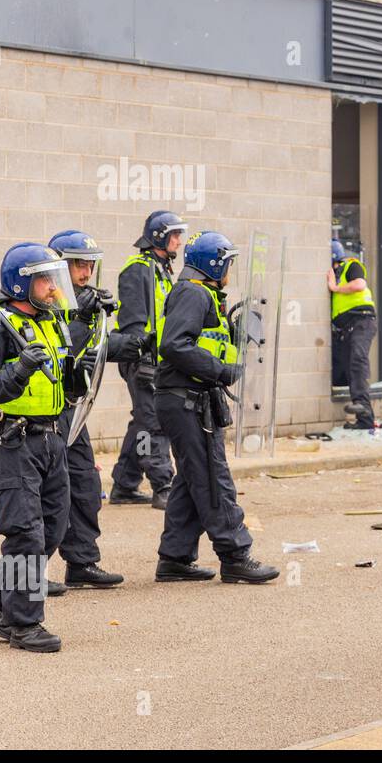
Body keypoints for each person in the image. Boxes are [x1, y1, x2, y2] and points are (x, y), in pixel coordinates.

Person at [0, 244, 79, 652]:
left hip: (50, 439)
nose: (53, 288)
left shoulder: (50, 322)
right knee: (25, 533)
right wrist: (18, 369)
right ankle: (23, 623)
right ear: (21, 283)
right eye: (45, 280)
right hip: (11, 442)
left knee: (53, 527)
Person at [153, 231, 279, 585]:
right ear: (214, 264)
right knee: (210, 475)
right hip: (185, 399)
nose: (230, 270)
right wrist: (222, 372)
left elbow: (203, 343)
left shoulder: (203, 293)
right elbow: (175, 346)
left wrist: (239, 333)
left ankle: (175, 558)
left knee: (192, 478)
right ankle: (236, 555)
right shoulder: (194, 293)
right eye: (228, 263)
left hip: (190, 397)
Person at [47, 230, 143, 588]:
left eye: (89, 265)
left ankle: (82, 563)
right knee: (47, 494)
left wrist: (134, 344)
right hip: (45, 414)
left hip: (74, 411)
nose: (85, 273)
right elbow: (62, 347)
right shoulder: (41, 302)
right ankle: (27, 577)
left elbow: (93, 346)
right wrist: (80, 314)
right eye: (78, 265)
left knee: (85, 484)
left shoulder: (82, 302)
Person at [110, 209, 184, 510]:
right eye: (175, 235)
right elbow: (133, 321)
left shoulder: (160, 268)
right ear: (159, 237)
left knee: (142, 421)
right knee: (154, 423)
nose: (179, 241)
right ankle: (163, 485)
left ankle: (124, 485)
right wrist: (142, 358)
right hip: (143, 360)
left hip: (157, 359)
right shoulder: (138, 269)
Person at [328, 240, 378, 430]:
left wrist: (335, 287)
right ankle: (365, 420)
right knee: (350, 368)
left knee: (358, 360)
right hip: (348, 327)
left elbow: (359, 285)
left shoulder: (351, 265)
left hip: (362, 321)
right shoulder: (338, 275)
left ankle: (362, 405)